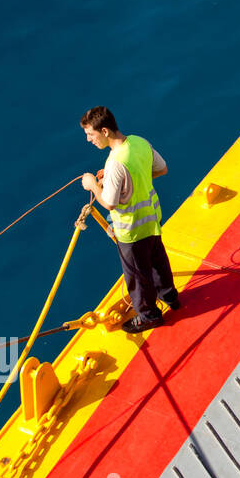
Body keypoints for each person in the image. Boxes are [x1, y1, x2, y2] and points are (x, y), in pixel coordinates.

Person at [78, 106, 180, 333]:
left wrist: (92, 184)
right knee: (158, 262)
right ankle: (171, 298)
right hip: (152, 219)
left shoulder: (114, 164)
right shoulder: (139, 142)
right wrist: (123, 181)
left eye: (91, 135)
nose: (88, 140)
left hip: (131, 231)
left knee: (137, 277)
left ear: (104, 131)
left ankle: (149, 316)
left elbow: (110, 203)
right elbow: (161, 170)